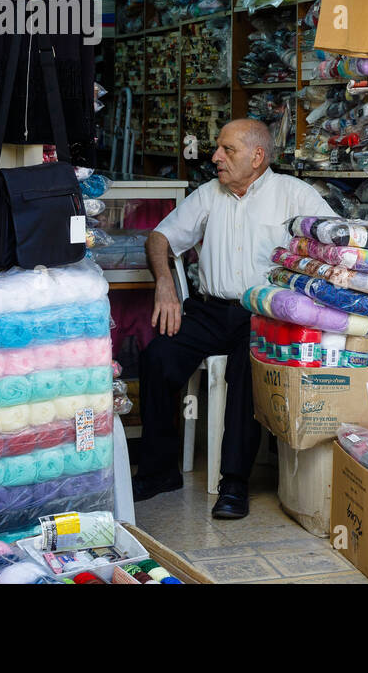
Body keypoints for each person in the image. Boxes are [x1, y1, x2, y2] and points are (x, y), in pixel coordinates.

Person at [130, 119, 333, 519]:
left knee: (245, 374)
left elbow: (332, 239)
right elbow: (160, 237)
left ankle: (235, 483)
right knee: (157, 358)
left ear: (257, 157)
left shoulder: (294, 195)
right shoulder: (209, 195)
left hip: (264, 313)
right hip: (210, 310)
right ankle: (158, 471)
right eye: (218, 149)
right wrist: (165, 283)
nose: (216, 157)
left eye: (227, 150)